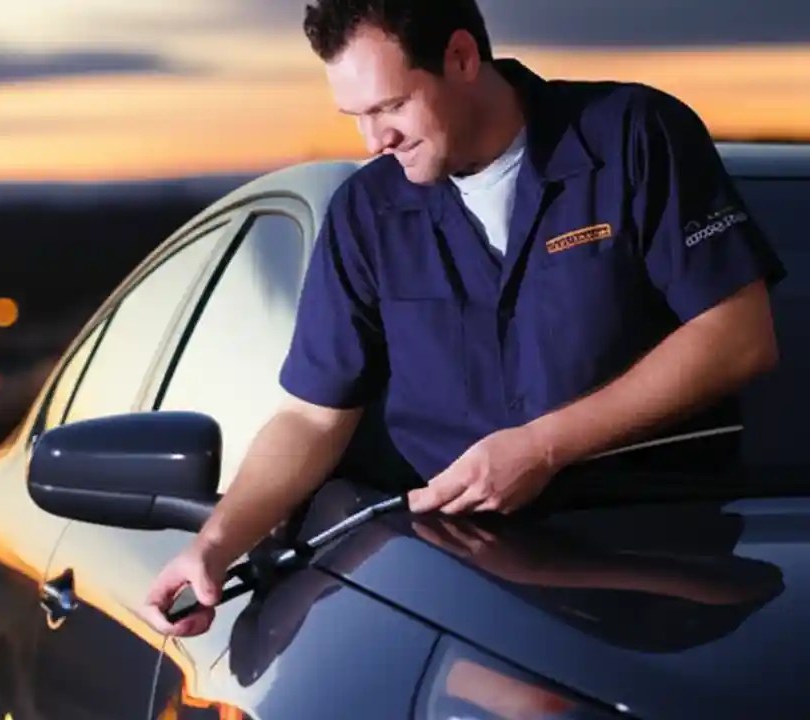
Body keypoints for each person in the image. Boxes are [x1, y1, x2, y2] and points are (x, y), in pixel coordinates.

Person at [141, 0, 785, 637]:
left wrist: (542, 448)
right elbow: (311, 418)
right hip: (450, 598)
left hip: (665, 569)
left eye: (392, 106)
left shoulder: (633, 136)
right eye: (358, 116)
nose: (375, 140)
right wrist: (214, 547)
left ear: (461, 57)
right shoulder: (364, 217)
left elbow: (738, 336)